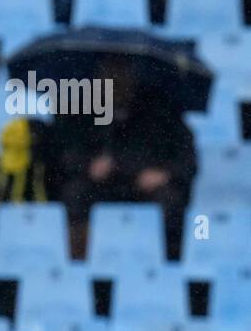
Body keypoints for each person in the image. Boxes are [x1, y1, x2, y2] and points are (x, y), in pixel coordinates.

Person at [49, 60, 197, 260]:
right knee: (74, 193)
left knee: (170, 200)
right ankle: (79, 259)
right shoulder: (78, 109)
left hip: (143, 186)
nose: (116, 81)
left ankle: (161, 262)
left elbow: (187, 160)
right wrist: (88, 165)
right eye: (109, 74)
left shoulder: (161, 109)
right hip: (100, 186)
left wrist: (164, 174)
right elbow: (62, 154)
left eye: (122, 73)